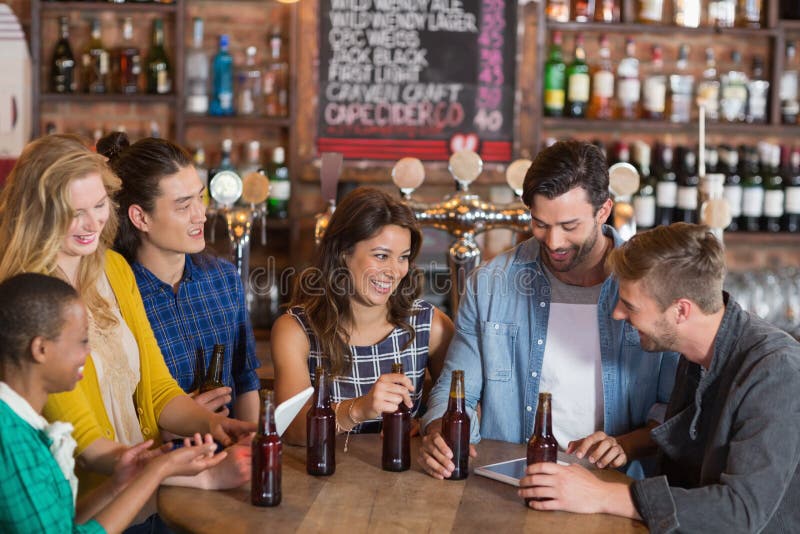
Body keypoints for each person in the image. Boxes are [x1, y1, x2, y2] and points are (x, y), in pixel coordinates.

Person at [0, 135, 253, 504]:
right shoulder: (28, 298)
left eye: (100, 204)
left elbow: (158, 388)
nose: (93, 223)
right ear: (41, 212)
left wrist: (217, 426)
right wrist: (190, 472)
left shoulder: (115, 270)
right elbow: (83, 440)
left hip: (148, 496)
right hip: (89, 505)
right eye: (75, 212)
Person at [419, 140, 679, 479]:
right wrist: (439, 431)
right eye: (540, 223)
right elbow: (457, 390)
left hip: (615, 487)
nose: (554, 242)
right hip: (511, 482)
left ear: (603, 211)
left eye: (569, 226)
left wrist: (626, 445)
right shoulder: (492, 283)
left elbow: (674, 409)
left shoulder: (653, 284)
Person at [519, 223, 800, 532]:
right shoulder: (696, 355)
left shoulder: (776, 371)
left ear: (681, 311)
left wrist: (602, 495)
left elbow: (739, 513)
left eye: (629, 305)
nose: (617, 314)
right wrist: (625, 445)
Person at [0, 272, 226, 534]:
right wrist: (158, 470)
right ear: (40, 349)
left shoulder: (25, 425)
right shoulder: (11, 437)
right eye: (83, 342)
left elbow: (63, 524)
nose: (89, 354)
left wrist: (120, 482)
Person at [98, 132, 261, 423]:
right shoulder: (115, 295)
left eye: (201, 198)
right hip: (156, 461)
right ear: (140, 218)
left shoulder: (223, 279)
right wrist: (177, 419)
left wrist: (250, 446)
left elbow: (245, 379)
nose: (201, 215)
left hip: (228, 455)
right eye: (184, 206)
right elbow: (113, 410)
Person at [271, 186, 454, 444]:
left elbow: (462, 408)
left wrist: (429, 424)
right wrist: (359, 409)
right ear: (343, 253)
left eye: (403, 258)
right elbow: (292, 430)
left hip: (405, 480)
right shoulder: (296, 330)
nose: (393, 271)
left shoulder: (431, 325)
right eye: (381, 256)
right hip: (323, 480)